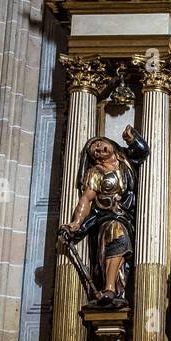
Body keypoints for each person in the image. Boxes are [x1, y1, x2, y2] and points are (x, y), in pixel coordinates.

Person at [59, 128, 149, 308]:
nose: (99, 150)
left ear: (109, 142)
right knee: (117, 236)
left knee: (124, 249)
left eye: (100, 145)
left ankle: (114, 287)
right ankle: (109, 288)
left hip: (129, 216)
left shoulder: (125, 160)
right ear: (95, 159)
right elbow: (87, 198)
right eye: (95, 152)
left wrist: (132, 139)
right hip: (107, 217)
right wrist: (76, 223)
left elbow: (142, 151)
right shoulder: (96, 172)